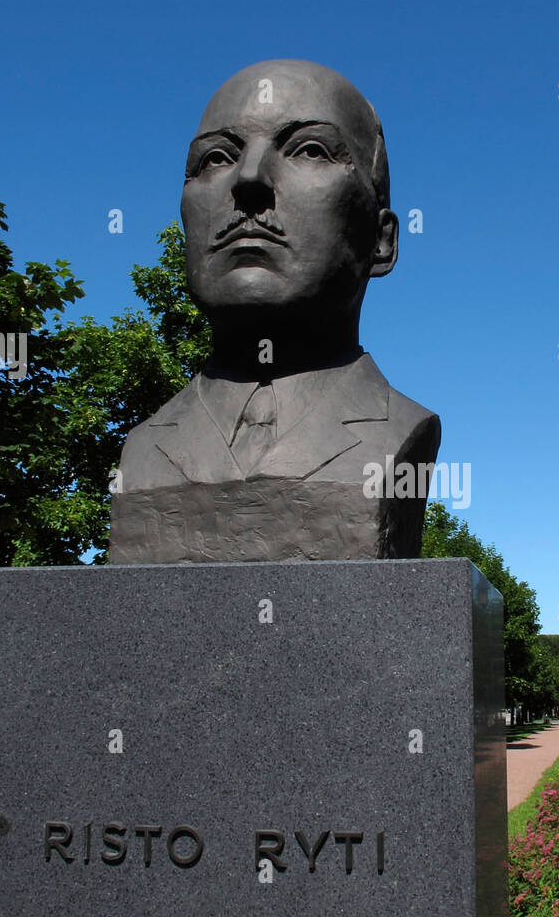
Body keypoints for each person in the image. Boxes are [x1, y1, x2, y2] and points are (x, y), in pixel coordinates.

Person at [109, 60, 440, 563]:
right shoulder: (143, 446)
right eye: (216, 158)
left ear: (381, 240)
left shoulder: (401, 435)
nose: (248, 180)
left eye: (308, 149)